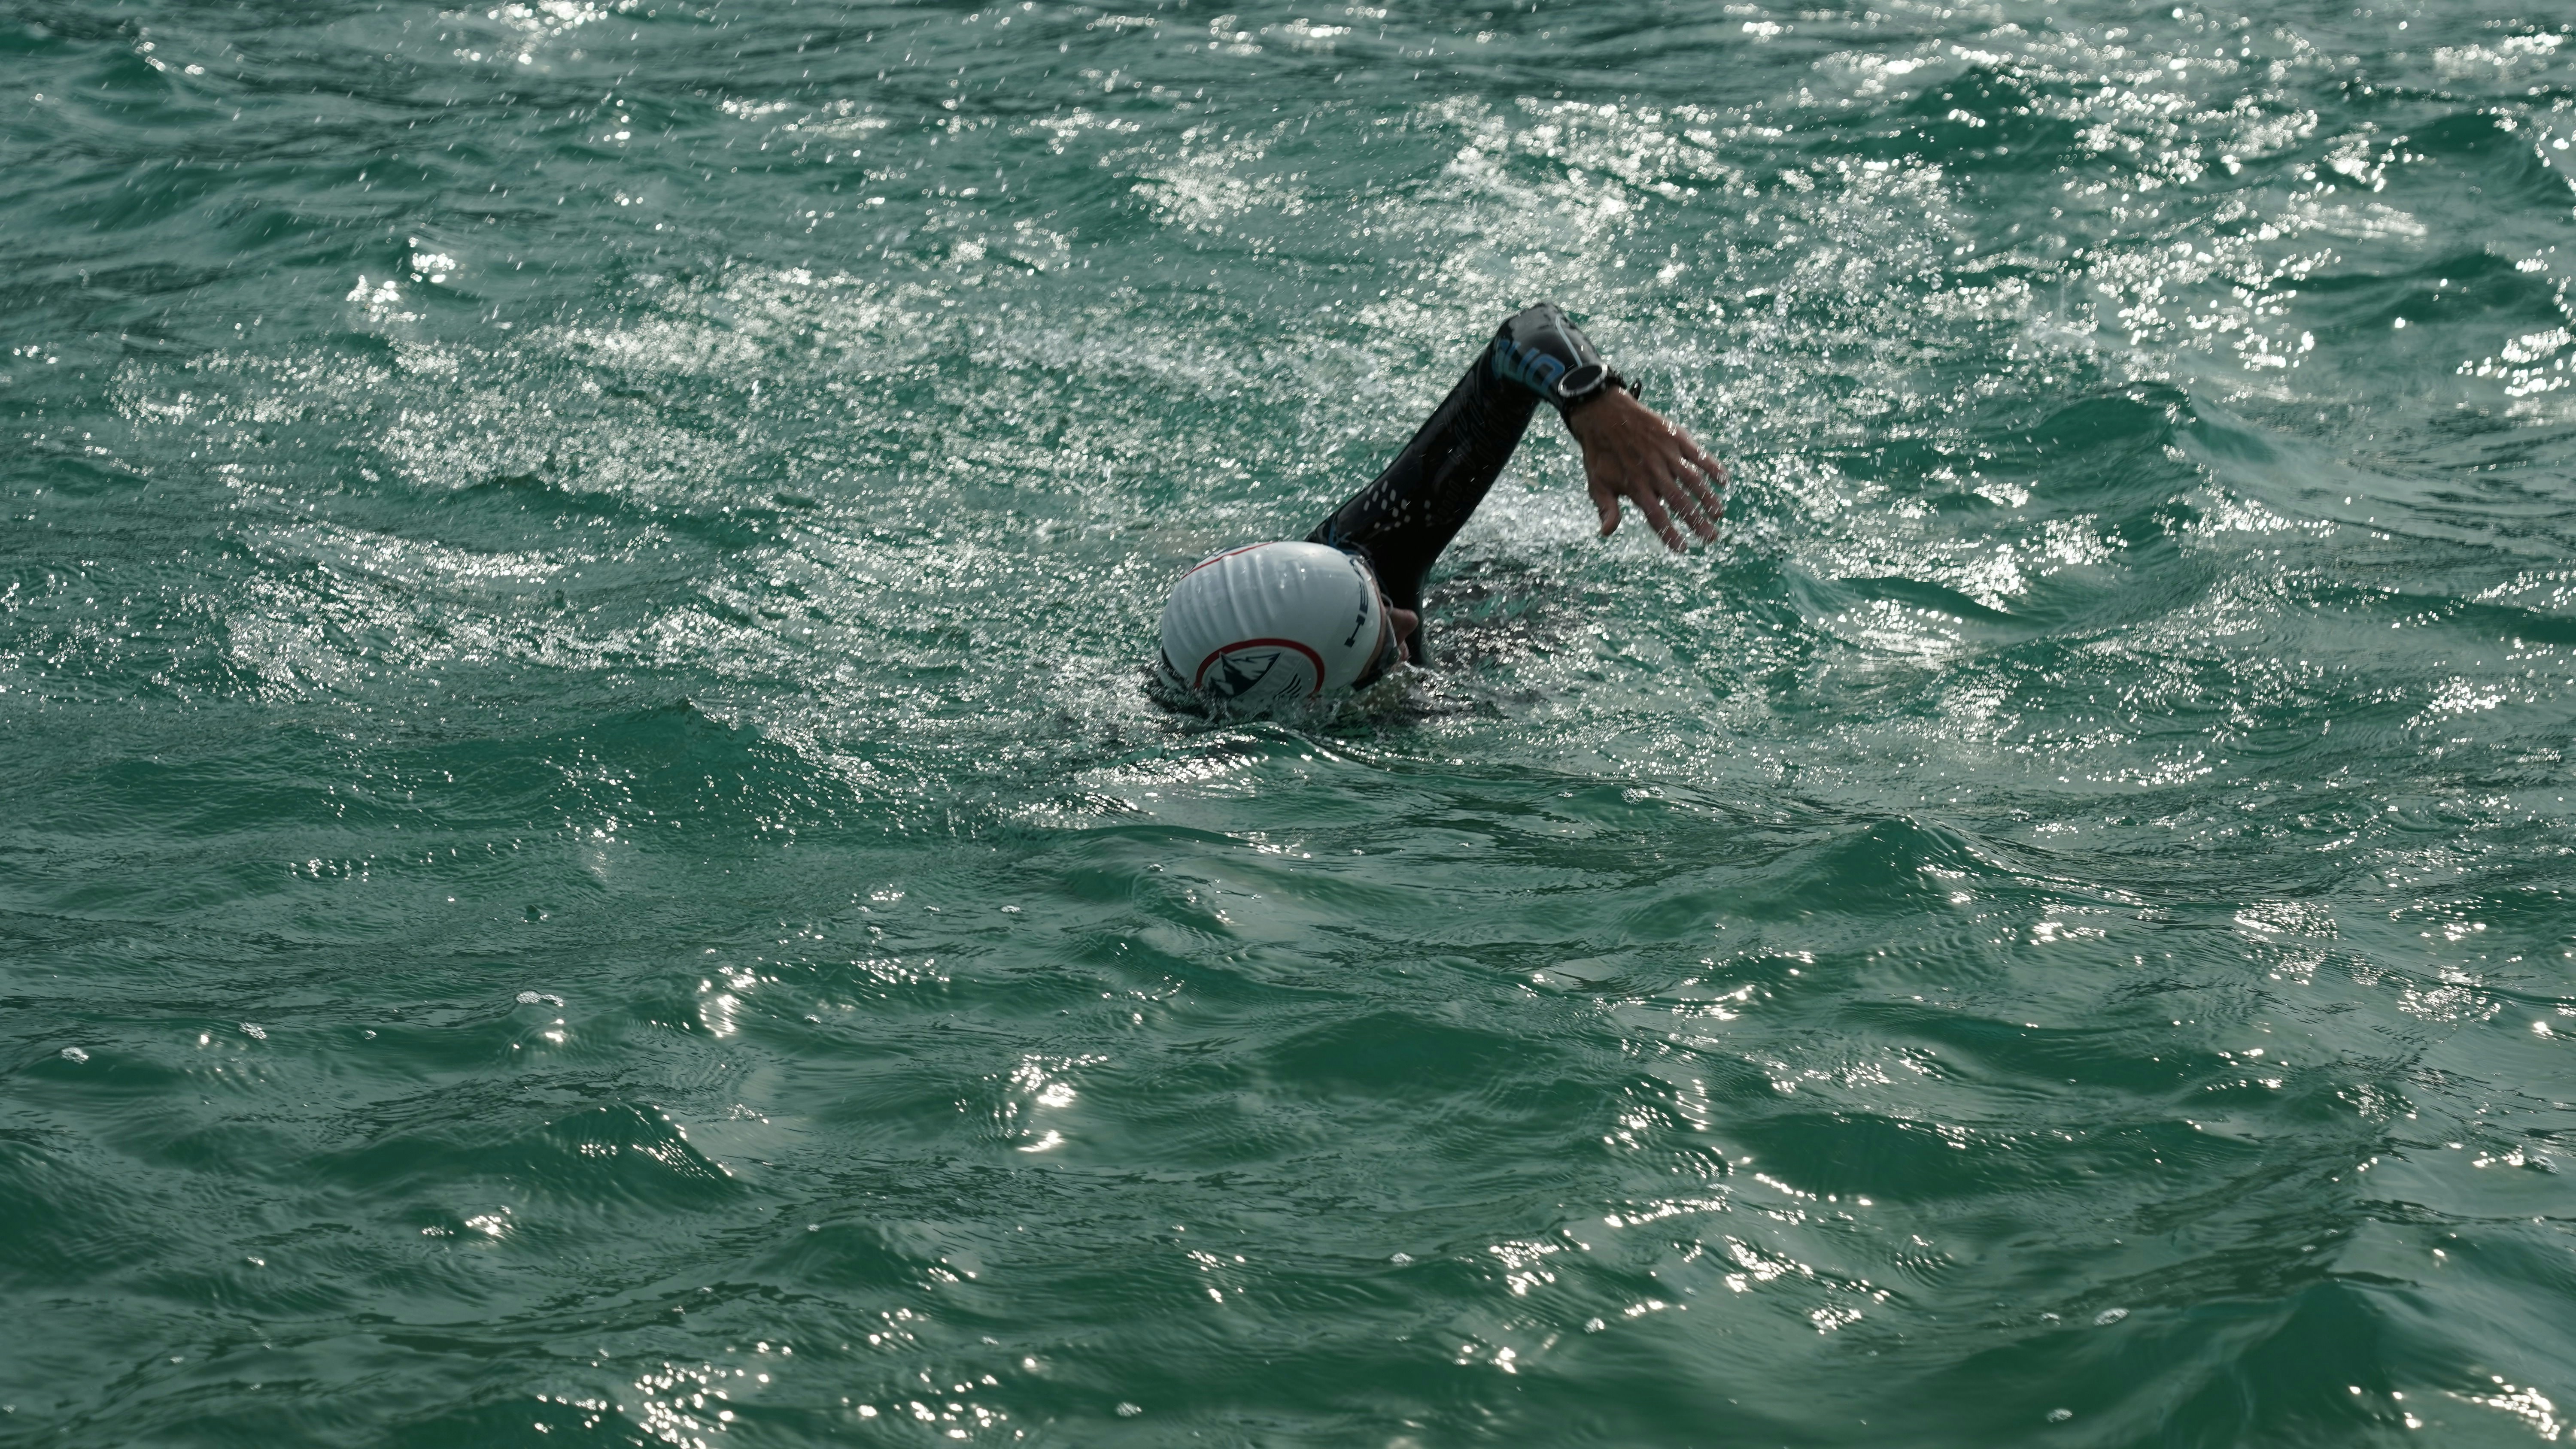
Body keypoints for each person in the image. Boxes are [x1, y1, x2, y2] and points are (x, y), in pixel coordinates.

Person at [1156, 303, 1728, 710]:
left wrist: (1591, 399)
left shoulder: (1351, 561)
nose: (1410, 618)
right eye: (1383, 652)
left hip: (1491, 601)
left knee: (1561, 607)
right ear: (1313, 699)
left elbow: (1526, 333)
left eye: (1383, 599)